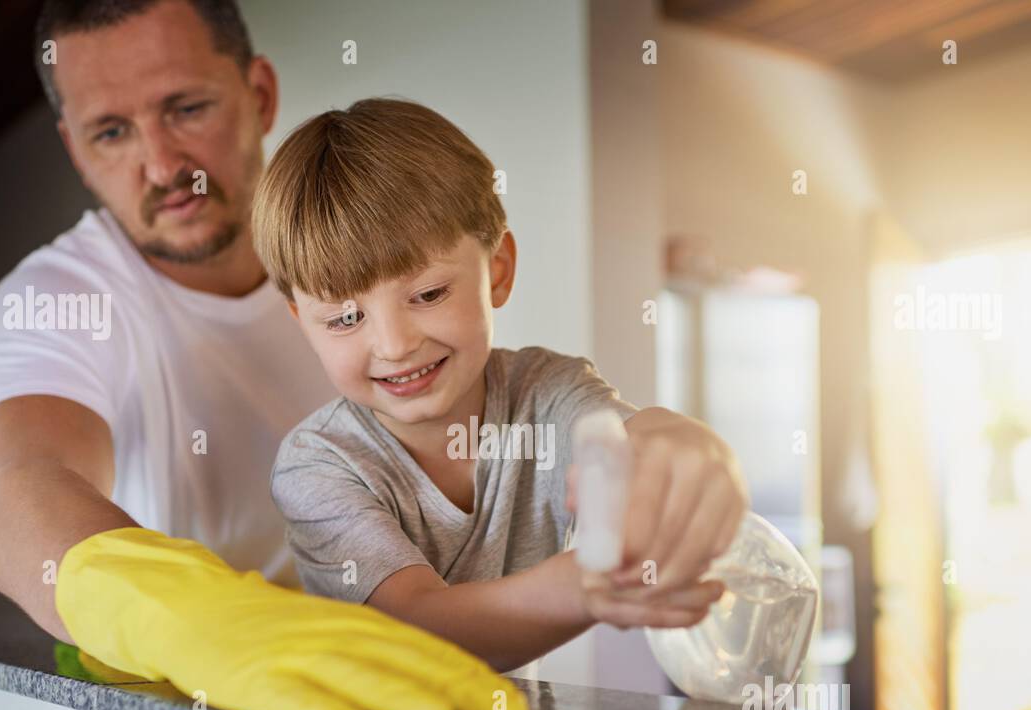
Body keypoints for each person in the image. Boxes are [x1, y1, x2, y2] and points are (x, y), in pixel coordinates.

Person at [0, 0, 528, 710]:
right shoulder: (60, 298)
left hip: (417, 685)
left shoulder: (361, 260)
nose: (162, 166)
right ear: (75, 147)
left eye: (186, 108)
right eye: (112, 131)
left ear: (259, 95)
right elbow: (14, 499)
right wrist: (189, 614)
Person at [259, 98, 751, 674]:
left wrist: (697, 450)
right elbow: (417, 628)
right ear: (302, 325)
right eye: (346, 319)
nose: (394, 345)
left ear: (498, 271)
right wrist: (582, 589)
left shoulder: (546, 392)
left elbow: (632, 433)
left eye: (429, 294)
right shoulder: (317, 466)